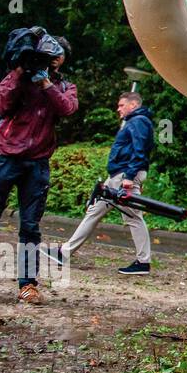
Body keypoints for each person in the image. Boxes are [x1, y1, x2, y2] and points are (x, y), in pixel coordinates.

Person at [0, 36, 77, 304]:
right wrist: (20, 72)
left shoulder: (64, 86)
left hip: (37, 164)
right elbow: (1, 106)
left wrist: (46, 84)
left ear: (61, 59)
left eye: (56, 55)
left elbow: (67, 108)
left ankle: (27, 285)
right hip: (6, 158)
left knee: (30, 226)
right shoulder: (17, 77)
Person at [44, 91, 155, 275]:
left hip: (123, 177)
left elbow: (140, 150)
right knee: (95, 211)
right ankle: (64, 252)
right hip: (119, 176)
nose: (118, 109)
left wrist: (129, 176)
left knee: (133, 217)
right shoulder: (136, 121)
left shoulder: (139, 121)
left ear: (133, 105)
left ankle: (143, 262)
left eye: (121, 105)